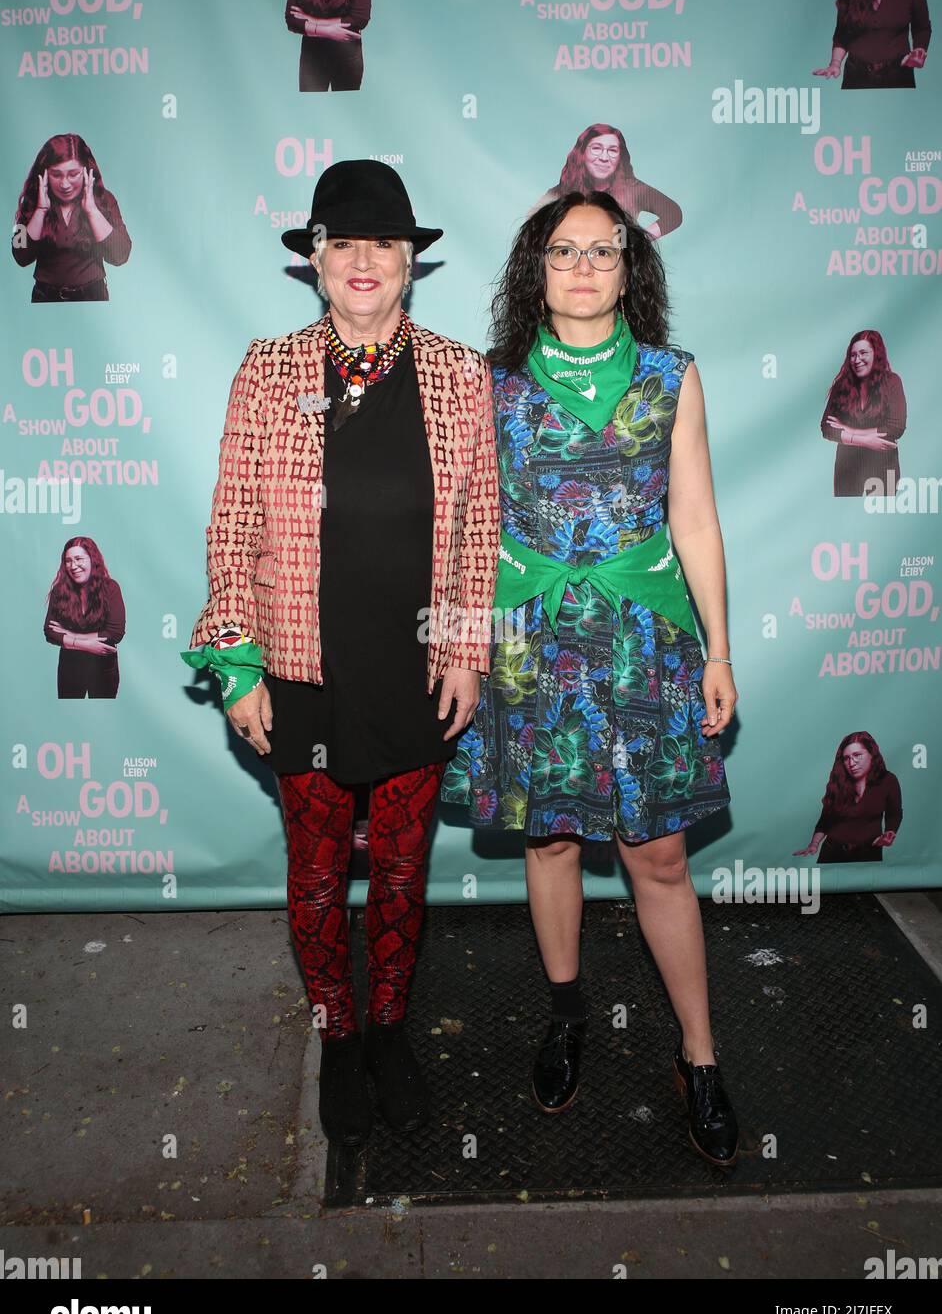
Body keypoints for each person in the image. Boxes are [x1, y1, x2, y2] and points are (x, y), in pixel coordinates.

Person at [182, 161, 500, 1148]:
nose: (364, 260)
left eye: (384, 244)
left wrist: (464, 649)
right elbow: (232, 521)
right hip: (298, 674)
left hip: (412, 671)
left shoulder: (458, 373)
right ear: (315, 260)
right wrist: (235, 661)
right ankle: (336, 1033)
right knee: (318, 875)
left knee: (402, 874)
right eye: (343, 242)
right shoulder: (267, 367)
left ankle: (391, 1035)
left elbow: (479, 526)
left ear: (409, 263)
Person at [441, 190, 740, 1167]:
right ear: (536, 269)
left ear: (628, 268)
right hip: (529, 639)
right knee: (554, 839)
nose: (580, 267)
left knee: (657, 856)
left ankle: (699, 1054)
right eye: (561, 251)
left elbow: (693, 520)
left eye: (600, 251)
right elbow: (465, 533)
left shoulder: (671, 377)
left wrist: (721, 649)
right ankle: (567, 1011)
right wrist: (459, 650)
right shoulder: (492, 383)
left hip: (643, 643)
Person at [12, 134, 131, 302]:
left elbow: (121, 255)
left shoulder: (106, 200)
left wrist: (92, 211)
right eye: (56, 174)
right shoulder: (30, 200)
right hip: (45, 299)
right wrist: (40, 210)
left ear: (86, 171)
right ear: (44, 174)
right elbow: (20, 255)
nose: (65, 184)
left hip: (93, 298)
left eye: (73, 174)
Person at [527, 124, 681, 239]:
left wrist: (639, 241)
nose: (604, 157)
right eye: (596, 148)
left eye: (612, 150)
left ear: (620, 157)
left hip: (617, 274)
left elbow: (673, 214)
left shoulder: (634, 189)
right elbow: (530, 225)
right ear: (582, 153)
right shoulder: (559, 191)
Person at [820, 330, 906, 497]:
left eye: (863, 353)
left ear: (876, 354)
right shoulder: (841, 386)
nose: (856, 360)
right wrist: (865, 440)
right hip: (847, 471)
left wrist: (849, 432)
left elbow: (896, 427)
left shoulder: (892, 382)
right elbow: (826, 428)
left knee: (881, 522)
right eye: (852, 355)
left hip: (882, 468)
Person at [794, 732, 902, 863]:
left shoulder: (888, 780)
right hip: (832, 853)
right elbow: (825, 820)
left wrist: (890, 832)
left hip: (868, 854)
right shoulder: (839, 783)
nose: (851, 763)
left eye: (857, 755)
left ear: (871, 754)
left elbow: (894, 813)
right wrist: (814, 845)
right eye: (846, 758)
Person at [44, 537, 125, 698]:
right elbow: (50, 632)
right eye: (68, 561)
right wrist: (87, 644)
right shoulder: (59, 591)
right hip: (70, 668)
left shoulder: (111, 588)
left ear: (92, 560)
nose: (73, 566)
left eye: (78, 559)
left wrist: (71, 637)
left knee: (105, 716)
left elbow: (115, 633)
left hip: (103, 668)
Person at [814, 0, 930, 89]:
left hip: (899, 74)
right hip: (856, 75)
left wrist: (919, 51)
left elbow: (922, 27)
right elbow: (842, 33)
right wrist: (835, 63)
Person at [284, 0, 371, 91]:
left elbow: (360, 18)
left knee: (347, 105)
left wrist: (313, 21)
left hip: (347, 52)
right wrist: (328, 31)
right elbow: (292, 19)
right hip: (312, 53)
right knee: (311, 105)